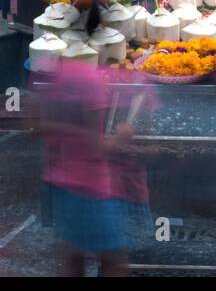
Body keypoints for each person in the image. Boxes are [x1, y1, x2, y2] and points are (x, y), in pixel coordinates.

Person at [40, 39, 157, 277]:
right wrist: (121, 135)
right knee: (114, 260)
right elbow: (98, 148)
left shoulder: (56, 76)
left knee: (73, 258)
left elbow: (37, 127)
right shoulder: (89, 81)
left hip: (62, 184)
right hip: (94, 189)